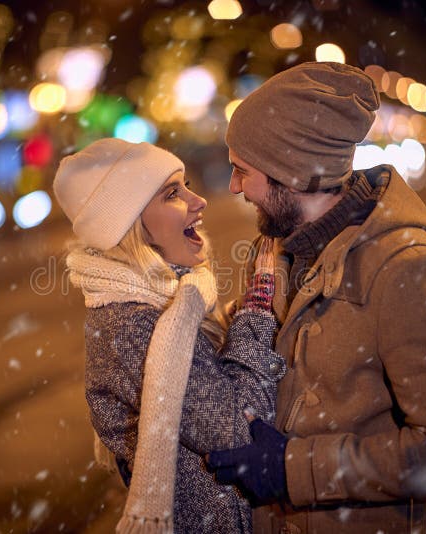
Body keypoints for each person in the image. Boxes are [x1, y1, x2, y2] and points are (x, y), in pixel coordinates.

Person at [205, 62, 426, 533]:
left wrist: (294, 469)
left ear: (291, 171)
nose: (235, 187)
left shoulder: (406, 268)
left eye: (243, 171)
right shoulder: (272, 251)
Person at [53, 138, 286, 533]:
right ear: (129, 227)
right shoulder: (133, 325)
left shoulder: (172, 303)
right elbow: (241, 427)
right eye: (172, 194)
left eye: (186, 185)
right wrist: (257, 308)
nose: (199, 202)